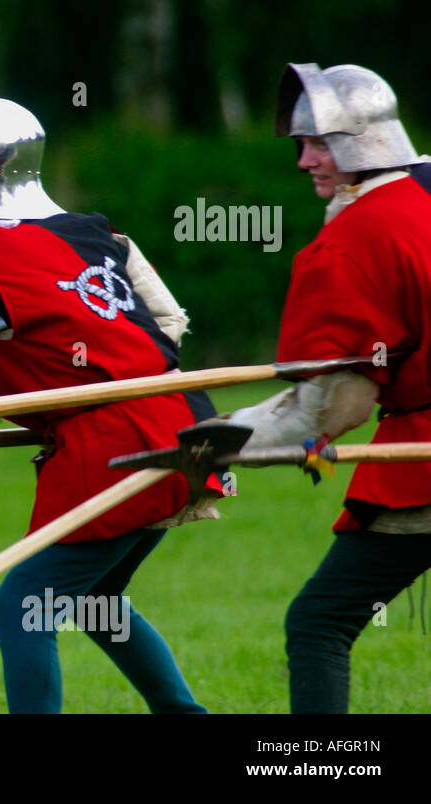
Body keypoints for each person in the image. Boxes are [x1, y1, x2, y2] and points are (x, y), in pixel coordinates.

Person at [0, 97, 215, 714]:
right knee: (99, 602)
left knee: (20, 608)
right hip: (187, 424)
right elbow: (168, 323)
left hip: (118, 443)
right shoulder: (97, 233)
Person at [225, 63, 431, 713]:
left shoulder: (354, 240)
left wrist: (218, 440)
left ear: (357, 140)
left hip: (423, 459)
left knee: (320, 623)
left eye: (317, 144)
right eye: (300, 145)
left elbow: (330, 411)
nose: (305, 161)